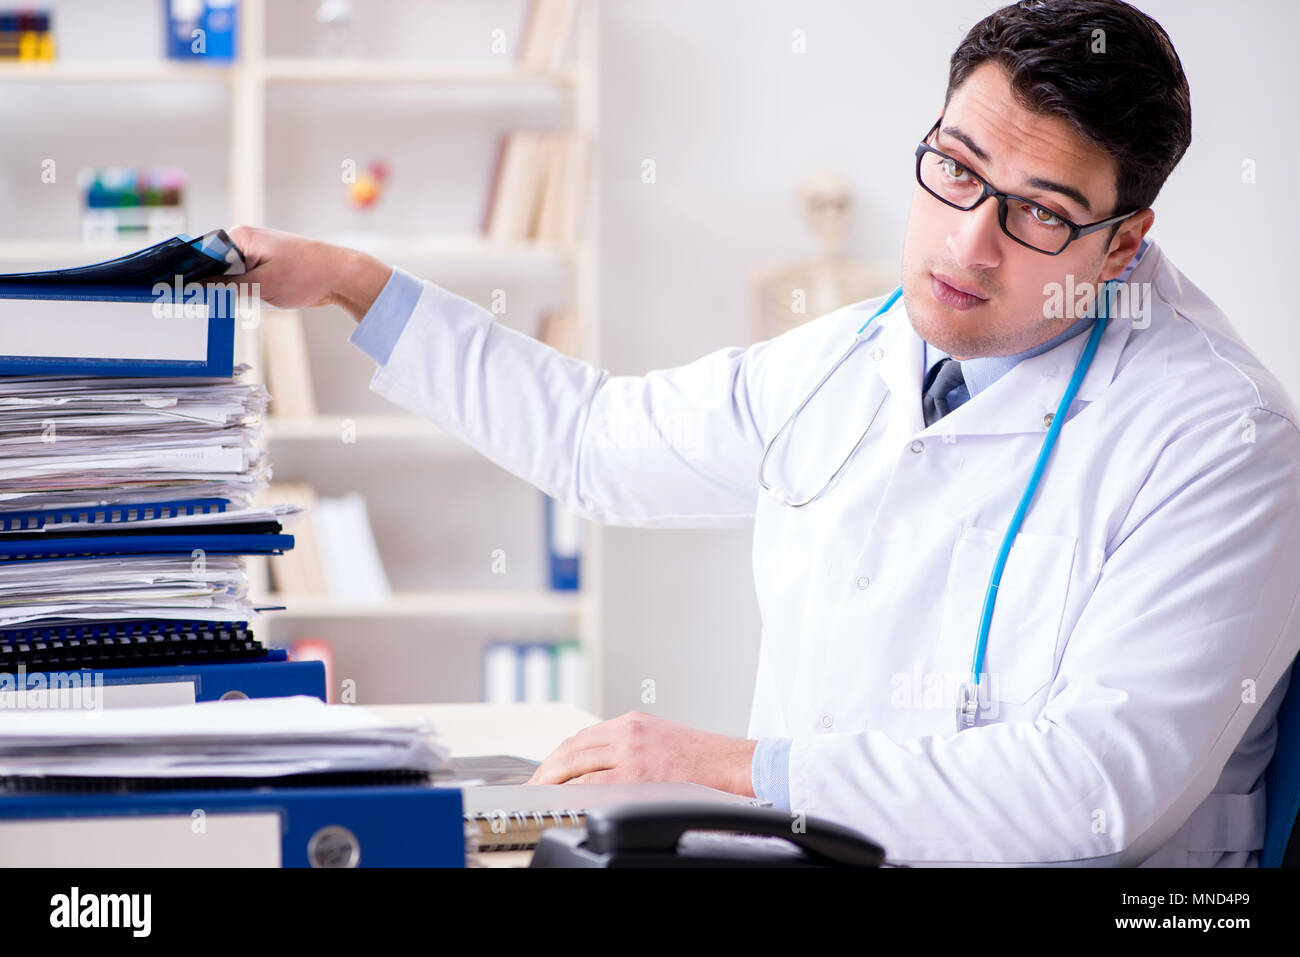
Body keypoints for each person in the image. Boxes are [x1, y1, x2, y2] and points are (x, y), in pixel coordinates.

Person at [228, 0, 1300, 866]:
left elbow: (1097, 792)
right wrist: (355, 287)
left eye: (1039, 214)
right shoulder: (857, 352)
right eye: (958, 170)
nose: (970, 242)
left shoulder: (1218, 437)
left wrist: (736, 771)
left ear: (1122, 245)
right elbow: (598, 444)